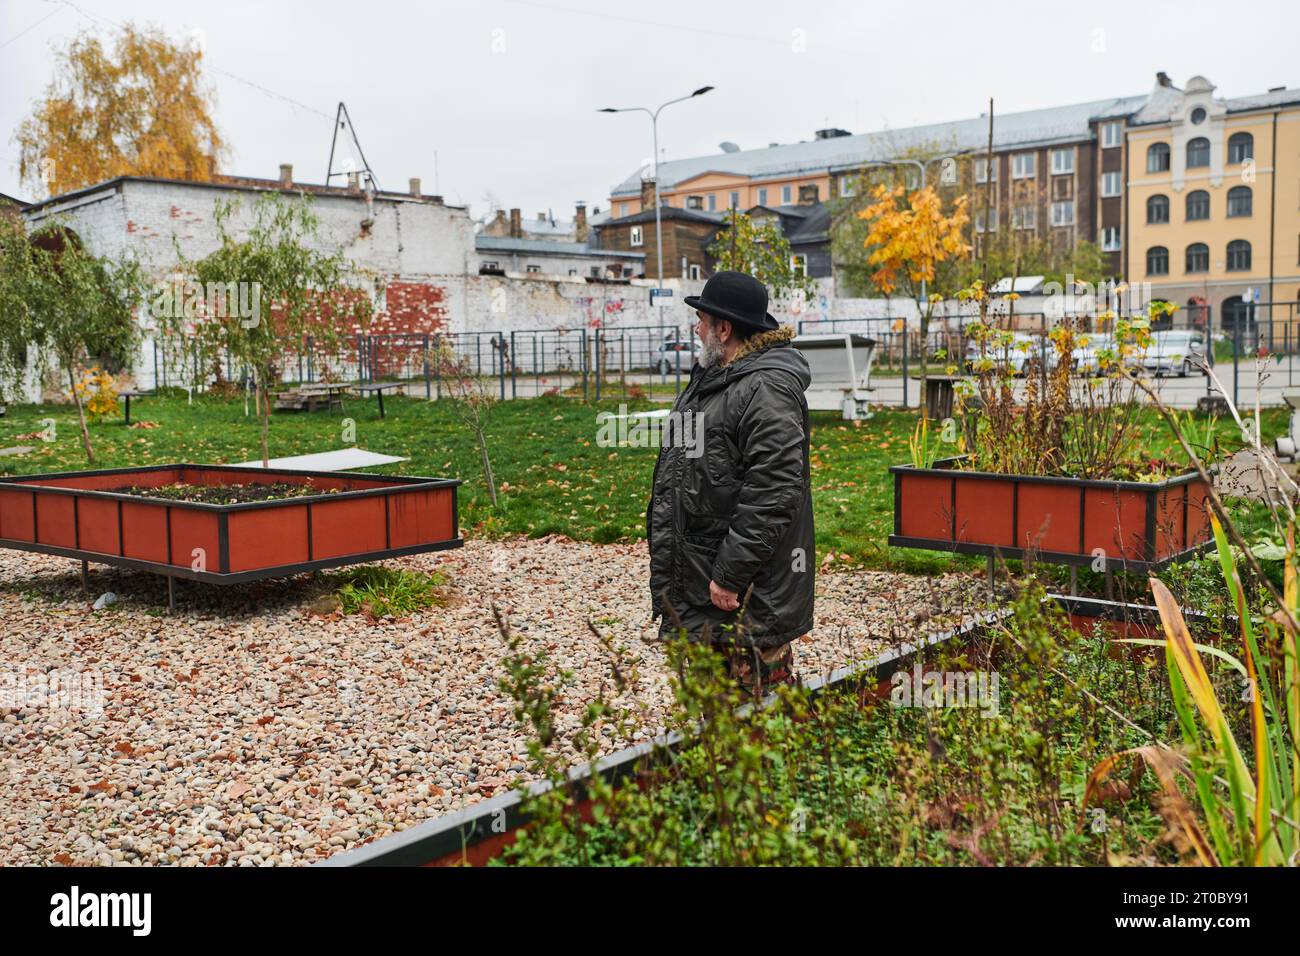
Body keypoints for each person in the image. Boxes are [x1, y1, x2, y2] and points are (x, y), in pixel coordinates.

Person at [646, 270, 815, 698]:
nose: (696, 327)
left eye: (702, 319)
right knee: (716, 718)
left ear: (724, 328)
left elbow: (775, 492)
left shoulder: (765, 387)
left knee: (754, 717)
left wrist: (729, 574)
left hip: (742, 593)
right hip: (705, 584)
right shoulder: (717, 378)